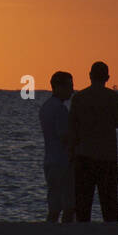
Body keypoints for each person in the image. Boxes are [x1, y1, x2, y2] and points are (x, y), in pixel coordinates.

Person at [68, 61, 118, 222]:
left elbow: (72, 127)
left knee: (83, 204)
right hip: (107, 156)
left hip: (84, 155)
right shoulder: (113, 97)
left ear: (90, 76)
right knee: (110, 205)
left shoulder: (79, 97)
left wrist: (71, 152)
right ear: (107, 77)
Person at [39, 71, 75, 222]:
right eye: (69, 86)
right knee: (69, 205)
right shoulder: (60, 109)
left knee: (54, 204)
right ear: (59, 87)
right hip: (62, 162)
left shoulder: (45, 107)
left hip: (50, 160)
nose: (72, 90)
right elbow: (64, 136)